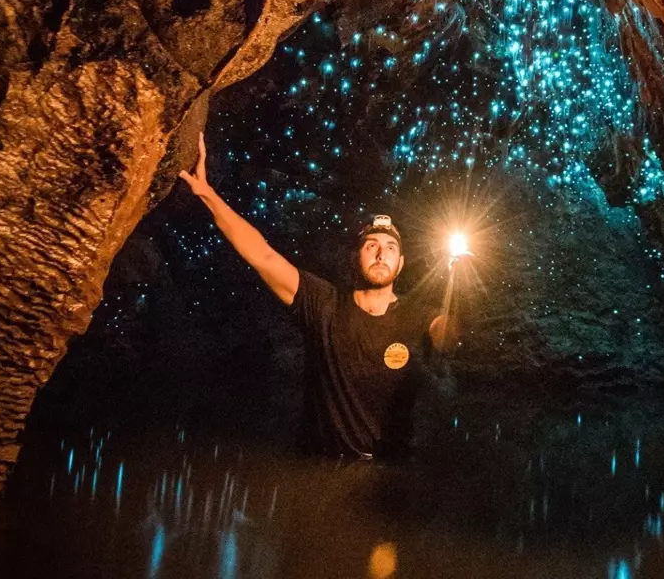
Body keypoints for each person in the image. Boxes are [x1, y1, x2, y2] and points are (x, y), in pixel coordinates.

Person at [178, 132, 459, 460]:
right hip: (319, 467)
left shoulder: (417, 316)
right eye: (372, 246)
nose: (381, 254)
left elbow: (447, 335)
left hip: (384, 477)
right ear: (356, 257)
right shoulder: (323, 303)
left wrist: (458, 284)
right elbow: (263, 256)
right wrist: (207, 194)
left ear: (401, 264)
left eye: (390, 248)